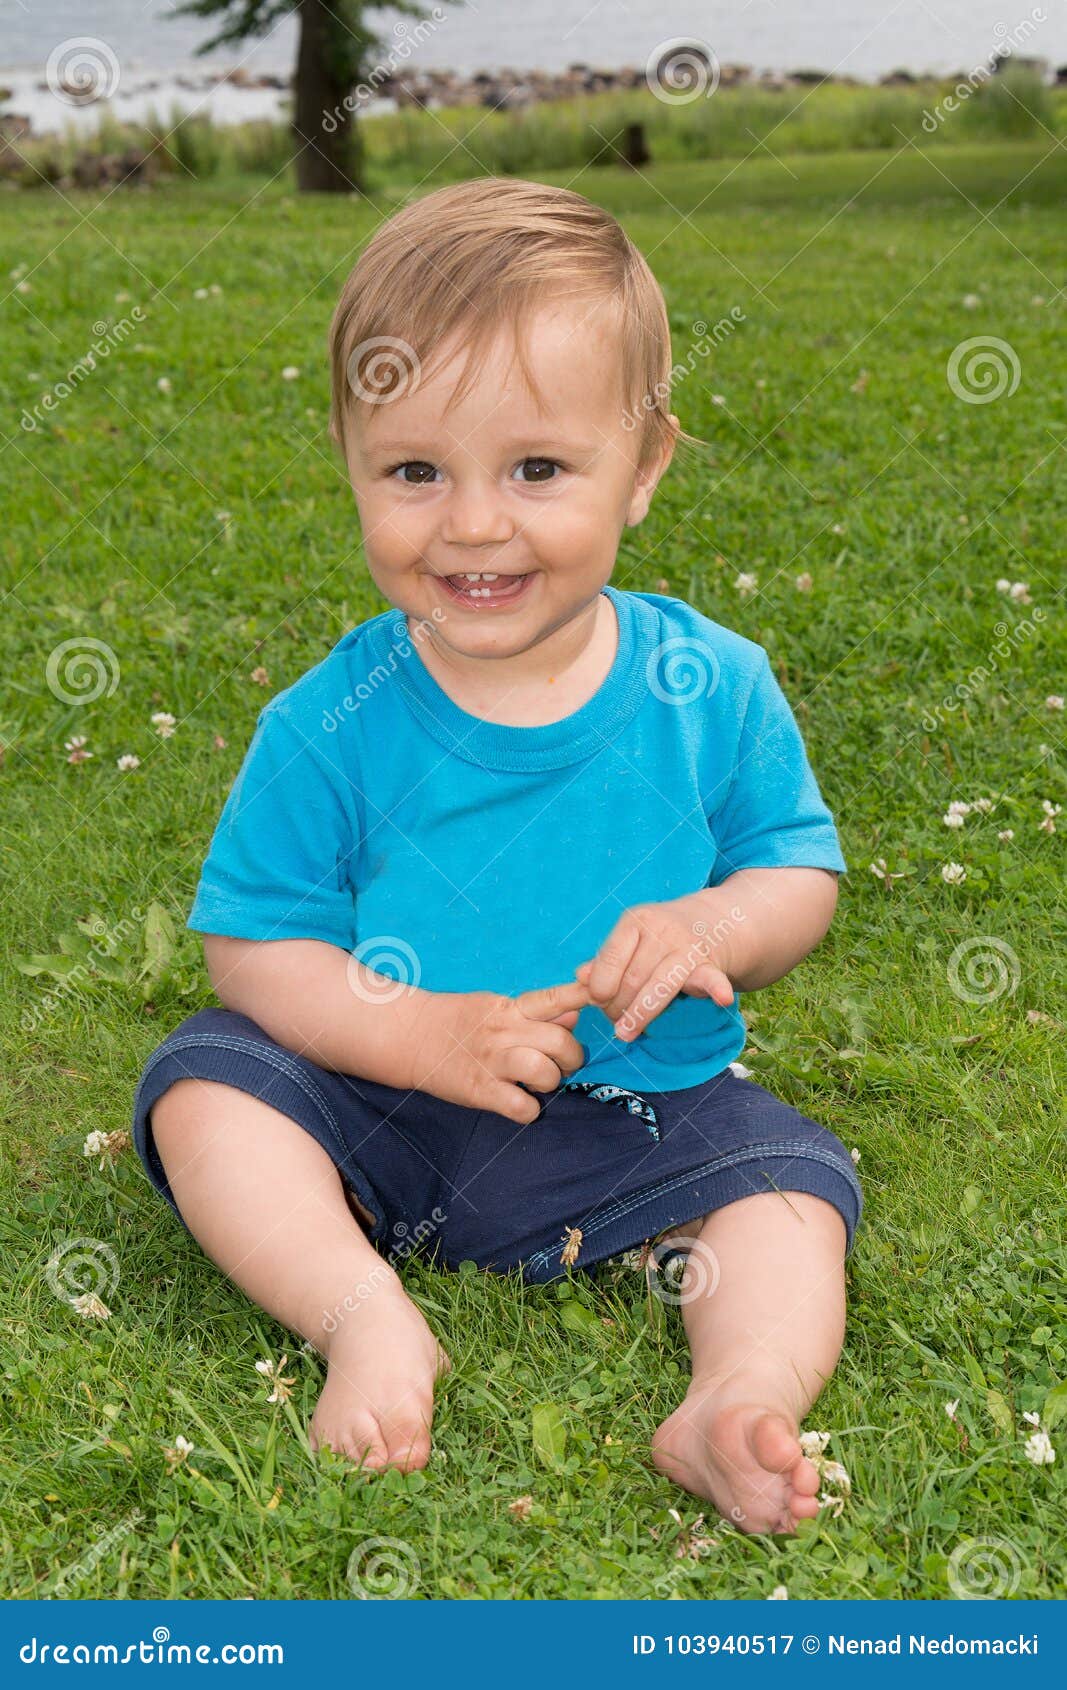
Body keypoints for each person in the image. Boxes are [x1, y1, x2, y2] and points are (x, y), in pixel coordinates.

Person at [132, 177, 862, 1536]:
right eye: (415, 470)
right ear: (351, 460)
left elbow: (795, 873)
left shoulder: (711, 682)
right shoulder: (332, 719)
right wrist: (415, 1035)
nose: (472, 523)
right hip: (382, 1115)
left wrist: (717, 925)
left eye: (537, 468)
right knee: (204, 1087)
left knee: (787, 1189)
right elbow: (255, 945)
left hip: (643, 1113)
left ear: (642, 467)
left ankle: (732, 1394)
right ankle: (365, 1311)